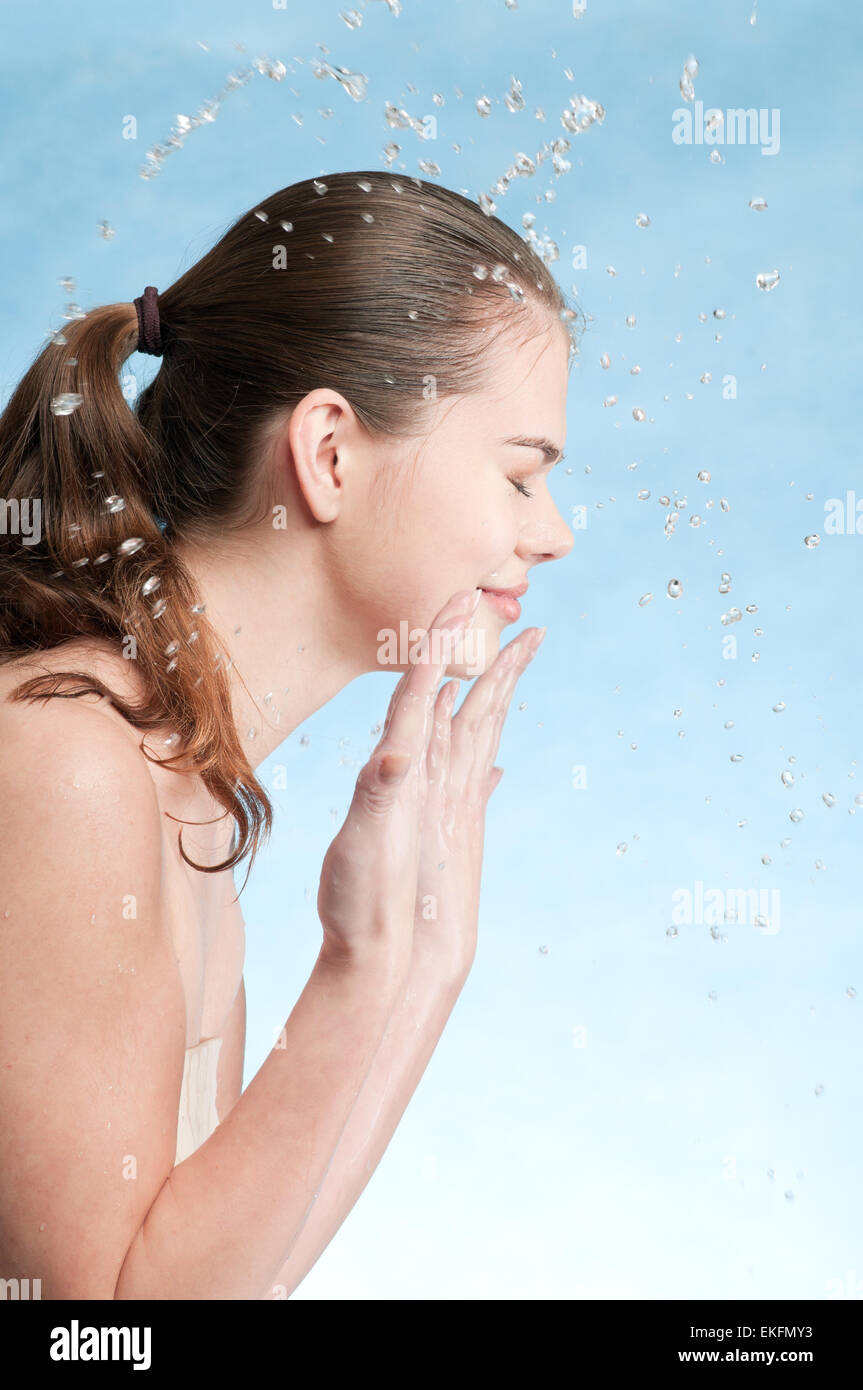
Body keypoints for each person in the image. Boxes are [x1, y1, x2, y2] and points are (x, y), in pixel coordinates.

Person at [0, 171, 574, 1299]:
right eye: (517, 475)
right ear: (328, 455)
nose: (551, 535)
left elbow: (220, 1280)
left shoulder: (186, 783)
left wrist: (420, 966)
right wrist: (361, 974)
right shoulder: (67, 763)